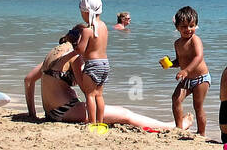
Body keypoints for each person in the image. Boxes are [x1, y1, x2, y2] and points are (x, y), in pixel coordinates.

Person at [24, 42, 179, 131]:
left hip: (51, 113)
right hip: (66, 110)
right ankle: (168, 126)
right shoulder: (75, 58)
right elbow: (87, 91)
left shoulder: (53, 58)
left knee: (120, 114)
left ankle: (166, 125)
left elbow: (28, 80)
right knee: (125, 114)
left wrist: (33, 114)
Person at [62, 0, 110, 127]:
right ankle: (101, 123)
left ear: (85, 12)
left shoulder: (87, 30)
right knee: (99, 95)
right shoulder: (104, 26)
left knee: (90, 95)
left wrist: (71, 47)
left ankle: (92, 122)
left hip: (92, 65)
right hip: (105, 64)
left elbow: (80, 50)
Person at [170, 5, 209, 136]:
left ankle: (201, 133)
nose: (188, 29)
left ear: (196, 26)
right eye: (184, 27)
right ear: (177, 28)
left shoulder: (195, 40)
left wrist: (186, 71)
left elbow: (198, 57)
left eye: (191, 26)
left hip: (201, 78)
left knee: (198, 106)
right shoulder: (177, 43)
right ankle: (179, 128)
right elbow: (180, 61)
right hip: (187, 78)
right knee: (176, 98)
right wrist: (170, 64)